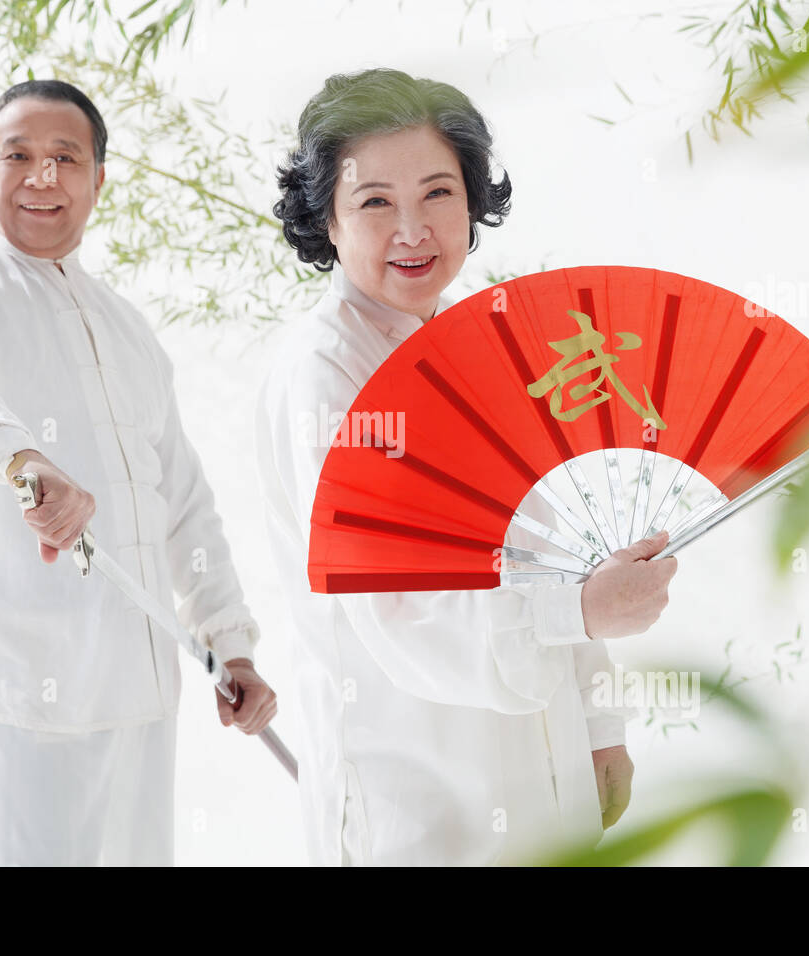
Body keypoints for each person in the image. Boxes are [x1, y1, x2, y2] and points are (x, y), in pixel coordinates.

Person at [256, 68, 677, 865]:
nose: (412, 230)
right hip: (418, 785)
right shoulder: (327, 372)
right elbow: (394, 599)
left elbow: (547, 546)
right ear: (328, 221)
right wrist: (581, 612)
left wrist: (597, 726)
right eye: (375, 201)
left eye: (438, 192)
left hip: (533, 760)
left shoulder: (467, 347)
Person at [0, 79, 277, 866]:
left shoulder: (128, 329)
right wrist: (20, 457)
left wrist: (232, 645)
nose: (41, 178)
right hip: (23, 689)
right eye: (18, 156)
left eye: (64, 158)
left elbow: (182, 503)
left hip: (145, 695)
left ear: (98, 179)